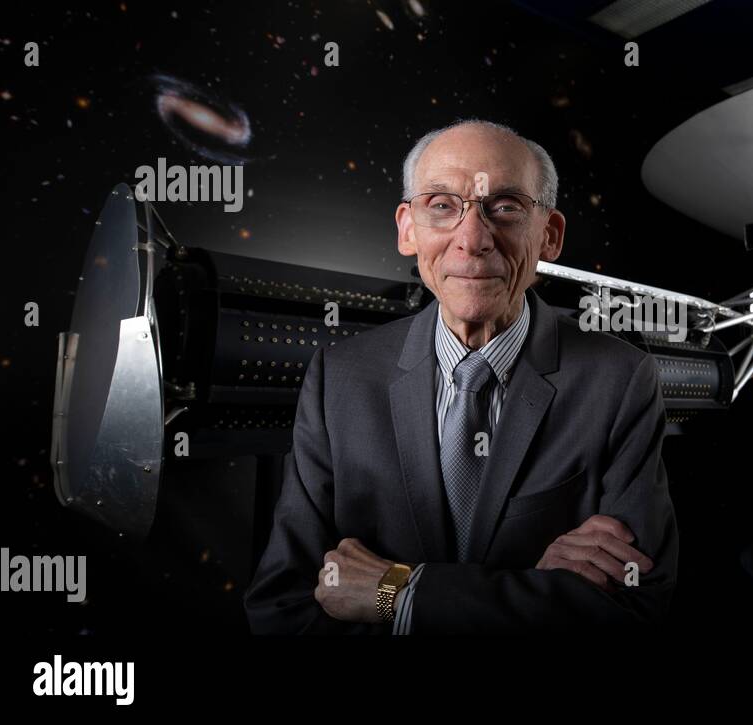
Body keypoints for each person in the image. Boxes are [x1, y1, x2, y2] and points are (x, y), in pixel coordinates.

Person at [244, 120, 679, 634]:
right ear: (408, 228)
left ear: (551, 235)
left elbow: (632, 607)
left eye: (506, 207)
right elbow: (282, 608)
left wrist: (398, 596)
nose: (472, 240)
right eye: (442, 206)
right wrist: (528, 598)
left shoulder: (621, 379)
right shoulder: (338, 378)